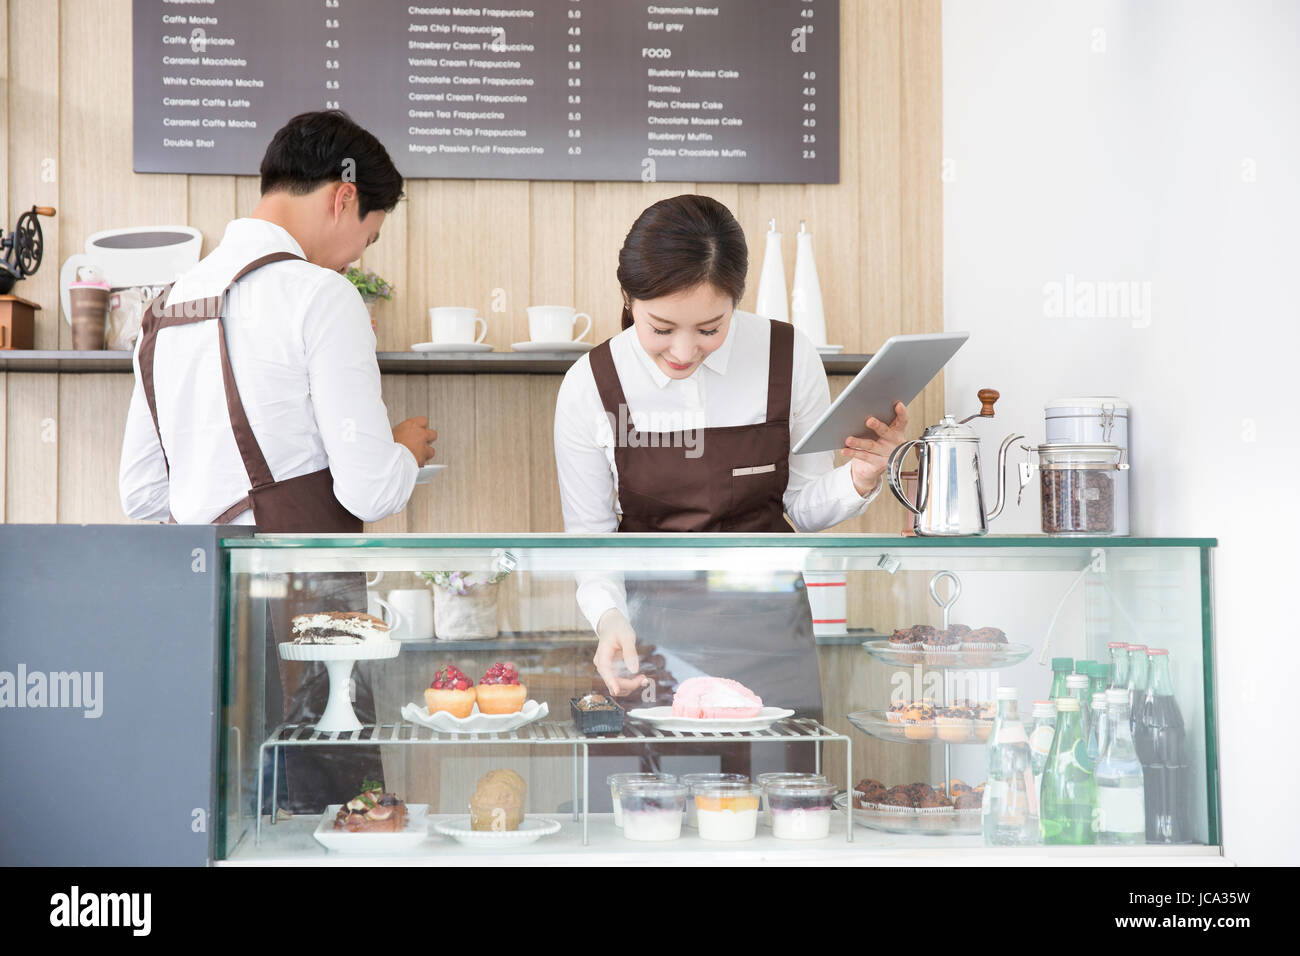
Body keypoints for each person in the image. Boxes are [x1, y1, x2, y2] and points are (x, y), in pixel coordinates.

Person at [118, 110, 437, 812]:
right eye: (369, 238)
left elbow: (141, 493)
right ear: (344, 196)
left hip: (199, 611)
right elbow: (369, 488)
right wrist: (405, 453)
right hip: (309, 618)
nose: (358, 258)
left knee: (221, 812)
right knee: (327, 823)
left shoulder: (164, 306)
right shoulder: (322, 296)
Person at [553, 194, 909, 782]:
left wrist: (862, 477)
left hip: (770, 638)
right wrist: (608, 618)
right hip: (649, 646)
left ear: (736, 304)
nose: (684, 351)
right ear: (627, 299)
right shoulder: (590, 385)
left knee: (780, 815)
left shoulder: (788, 356)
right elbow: (591, 542)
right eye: (661, 328)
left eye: (710, 328)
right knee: (655, 821)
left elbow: (805, 505)